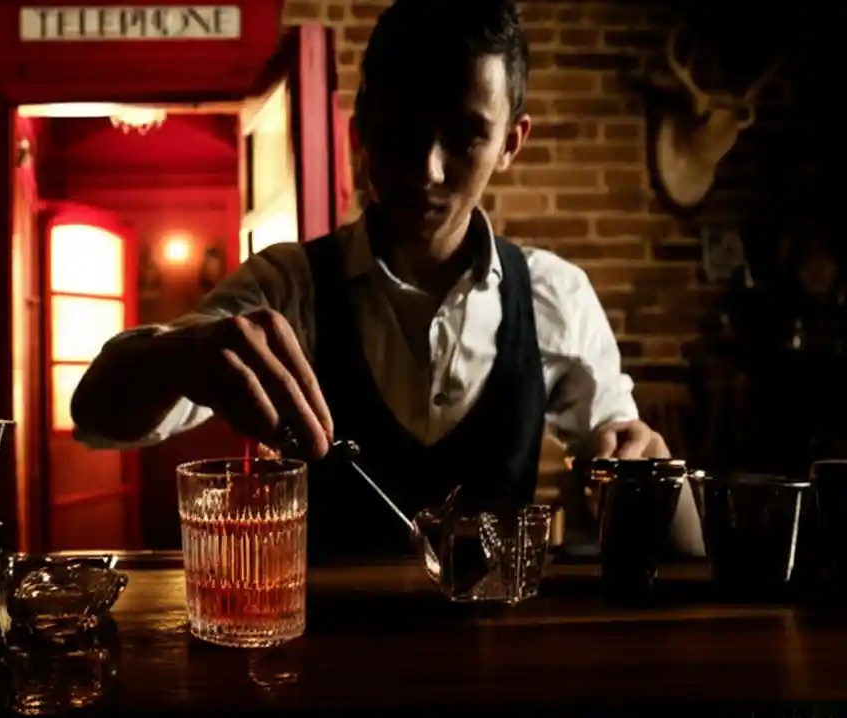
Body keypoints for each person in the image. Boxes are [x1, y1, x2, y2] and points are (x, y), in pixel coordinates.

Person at [70, 0, 703, 559]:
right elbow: (95, 414)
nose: (427, 169)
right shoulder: (288, 285)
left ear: (511, 142)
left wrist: (644, 463)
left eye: (464, 137)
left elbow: (673, 533)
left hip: (499, 671)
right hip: (319, 670)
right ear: (362, 129)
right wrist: (178, 356)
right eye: (404, 129)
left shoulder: (554, 295)